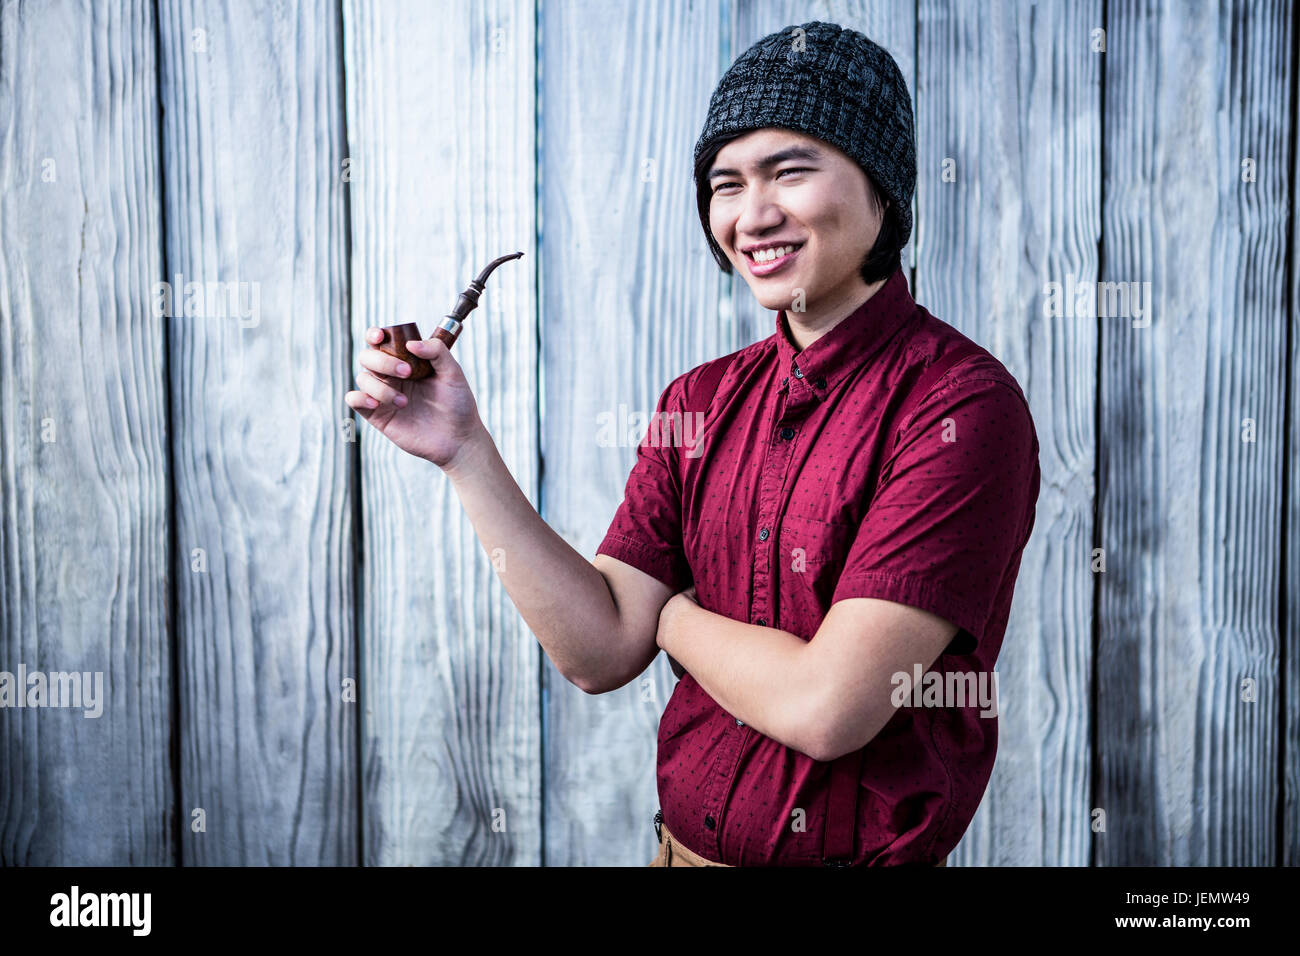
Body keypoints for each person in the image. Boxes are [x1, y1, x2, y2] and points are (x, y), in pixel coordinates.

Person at [345, 20, 1039, 868]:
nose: (752, 216)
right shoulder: (698, 403)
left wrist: (668, 614)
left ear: (882, 188)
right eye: (725, 183)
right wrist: (464, 451)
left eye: (791, 170)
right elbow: (601, 650)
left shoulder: (961, 408)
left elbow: (829, 707)